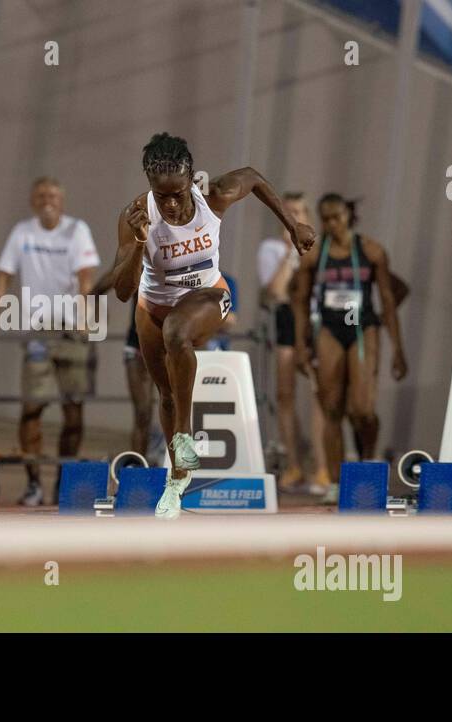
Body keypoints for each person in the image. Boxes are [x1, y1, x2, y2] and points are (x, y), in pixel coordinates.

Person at [108, 132, 314, 520]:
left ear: (191, 181)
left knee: (177, 332)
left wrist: (291, 226)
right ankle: (176, 481)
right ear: (149, 184)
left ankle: (184, 436)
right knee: (165, 396)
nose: (170, 204)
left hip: (209, 296)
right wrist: (137, 244)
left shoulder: (213, 196)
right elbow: (122, 291)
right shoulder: (135, 214)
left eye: (178, 193)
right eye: (161, 194)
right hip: (151, 305)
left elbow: (252, 177)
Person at [0, 177, 100, 506]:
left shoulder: (77, 230)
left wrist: (86, 318)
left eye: (52, 195)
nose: (47, 200)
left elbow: (86, 278)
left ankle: (64, 480)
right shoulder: (23, 232)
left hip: (71, 329)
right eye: (41, 195)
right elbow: (3, 276)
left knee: (73, 410)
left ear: (62, 201)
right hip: (37, 329)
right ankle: (34, 483)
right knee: (31, 408)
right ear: (33, 201)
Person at [292, 195, 408, 501]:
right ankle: (335, 481)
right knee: (331, 408)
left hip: (362, 327)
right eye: (325, 219)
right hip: (329, 329)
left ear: (348, 215)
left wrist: (398, 348)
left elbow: (388, 299)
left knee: (362, 409)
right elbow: (300, 302)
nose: (331, 224)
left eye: (337, 217)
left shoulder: (370, 250)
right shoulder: (315, 254)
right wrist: (301, 344)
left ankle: (368, 458)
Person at [258, 192, 328, 493]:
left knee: (319, 395)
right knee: (285, 394)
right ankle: (294, 465)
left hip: (316, 320)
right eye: (288, 212)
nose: (294, 218)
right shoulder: (271, 248)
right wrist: (289, 253)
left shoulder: (321, 248)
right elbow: (275, 291)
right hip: (287, 319)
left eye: (299, 212)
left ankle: (322, 467)